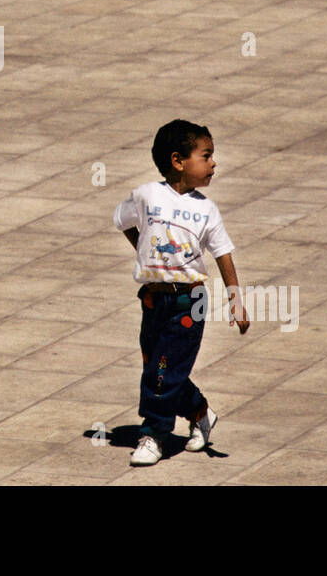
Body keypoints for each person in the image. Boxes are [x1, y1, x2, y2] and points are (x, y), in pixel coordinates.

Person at [113, 119, 249, 467]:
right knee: (158, 367)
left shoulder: (206, 209)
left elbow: (222, 254)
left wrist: (236, 300)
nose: (213, 164)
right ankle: (200, 411)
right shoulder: (146, 195)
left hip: (191, 300)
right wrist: (145, 251)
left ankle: (153, 434)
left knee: (162, 367)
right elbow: (124, 221)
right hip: (154, 298)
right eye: (206, 156)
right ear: (178, 161)